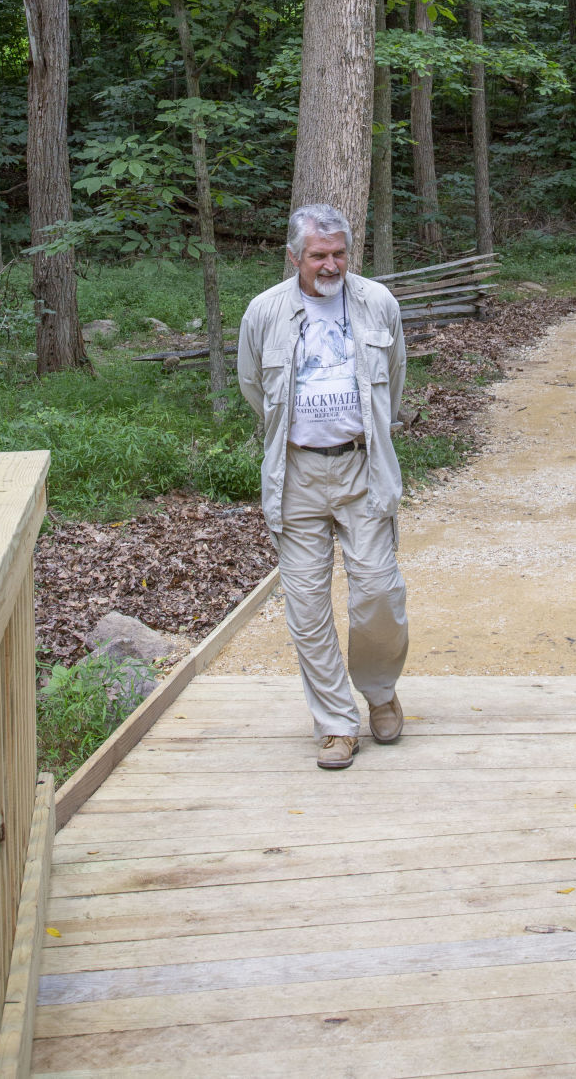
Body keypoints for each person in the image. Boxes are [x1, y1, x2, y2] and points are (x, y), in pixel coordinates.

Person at [237, 203, 409, 769]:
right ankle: (337, 722)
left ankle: (380, 694)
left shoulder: (377, 303)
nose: (330, 265)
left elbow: (396, 384)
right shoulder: (264, 312)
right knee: (307, 608)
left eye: (338, 253)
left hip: (363, 468)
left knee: (379, 592)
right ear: (294, 257)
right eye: (318, 255)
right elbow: (252, 389)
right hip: (297, 476)